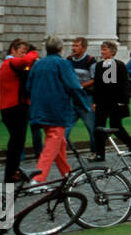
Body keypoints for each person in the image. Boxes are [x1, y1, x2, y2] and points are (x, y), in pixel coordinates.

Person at [28, 35, 92, 184]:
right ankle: (38, 178)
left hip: (39, 109)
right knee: (52, 143)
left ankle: (67, 174)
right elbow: (74, 86)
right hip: (56, 110)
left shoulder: (38, 64)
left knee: (60, 143)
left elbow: (28, 87)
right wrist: (84, 105)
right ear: (60, 49)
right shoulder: (63, 64)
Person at [0, 38, 40, 183]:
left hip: (13, 107)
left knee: (17, 142)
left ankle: (13, 171)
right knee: (16, 142)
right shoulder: (10, 63)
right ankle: (10, 173)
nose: (24, 54)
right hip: (14, 107)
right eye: (21, 51)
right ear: (13, 50)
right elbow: (27, 60)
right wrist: (33, 51)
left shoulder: (11, 64)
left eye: (24, 51)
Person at [92, 40, 131, 160]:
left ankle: (130, 142)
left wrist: (124, 101)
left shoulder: (120, 65)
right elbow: (97, 85)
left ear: (112, 52)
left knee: (116, 127)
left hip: (116, 102)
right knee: (98, 127)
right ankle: (100, 153)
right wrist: (95, 101)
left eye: (105, 50)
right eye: (102, 49)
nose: (102, 52)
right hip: (102, 101)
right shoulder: (99, 65)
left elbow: (124, 84)